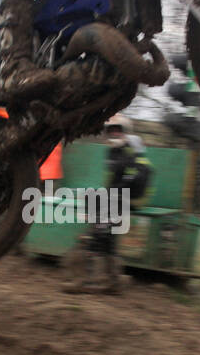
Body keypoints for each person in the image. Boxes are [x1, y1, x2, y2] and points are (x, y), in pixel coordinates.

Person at [63, 114, 151, 295]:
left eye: (118, 130)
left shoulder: (133, 150)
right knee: (105, 237)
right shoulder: (112, 152)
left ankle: (81, 280)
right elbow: (113, 181)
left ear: (126, 132)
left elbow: (142, 173)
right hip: (115, 198)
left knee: (96, 236)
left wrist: (124, 187)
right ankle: (114, 282)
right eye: (111, 130)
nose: (114, 134)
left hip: (127, 199)